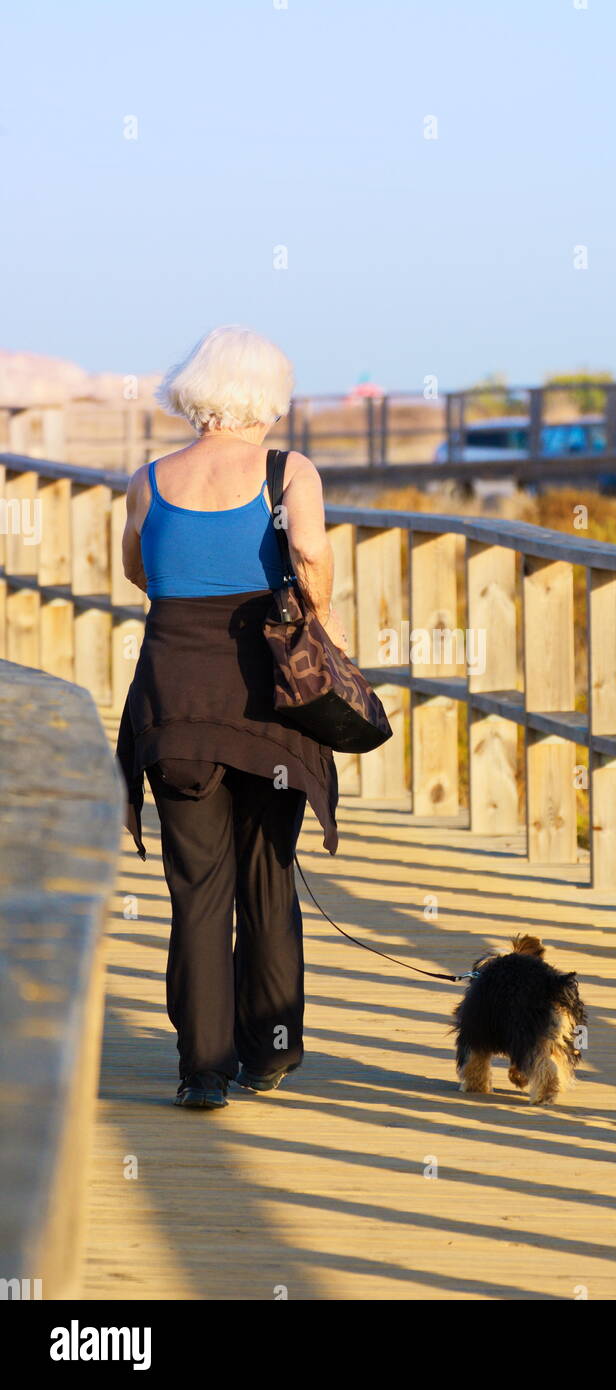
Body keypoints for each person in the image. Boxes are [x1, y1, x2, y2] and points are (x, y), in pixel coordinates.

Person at [116, 325, 347, 1110]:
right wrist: (325, 622)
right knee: (267, 875)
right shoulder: (288, 473)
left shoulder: (148, 478)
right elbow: (310, 559)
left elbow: (140, 571)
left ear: (198, 389)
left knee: (198, 890)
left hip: (174, 701)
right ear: (269, 396)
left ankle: (202, 1069)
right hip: (267, 707)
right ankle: (270, 1052)